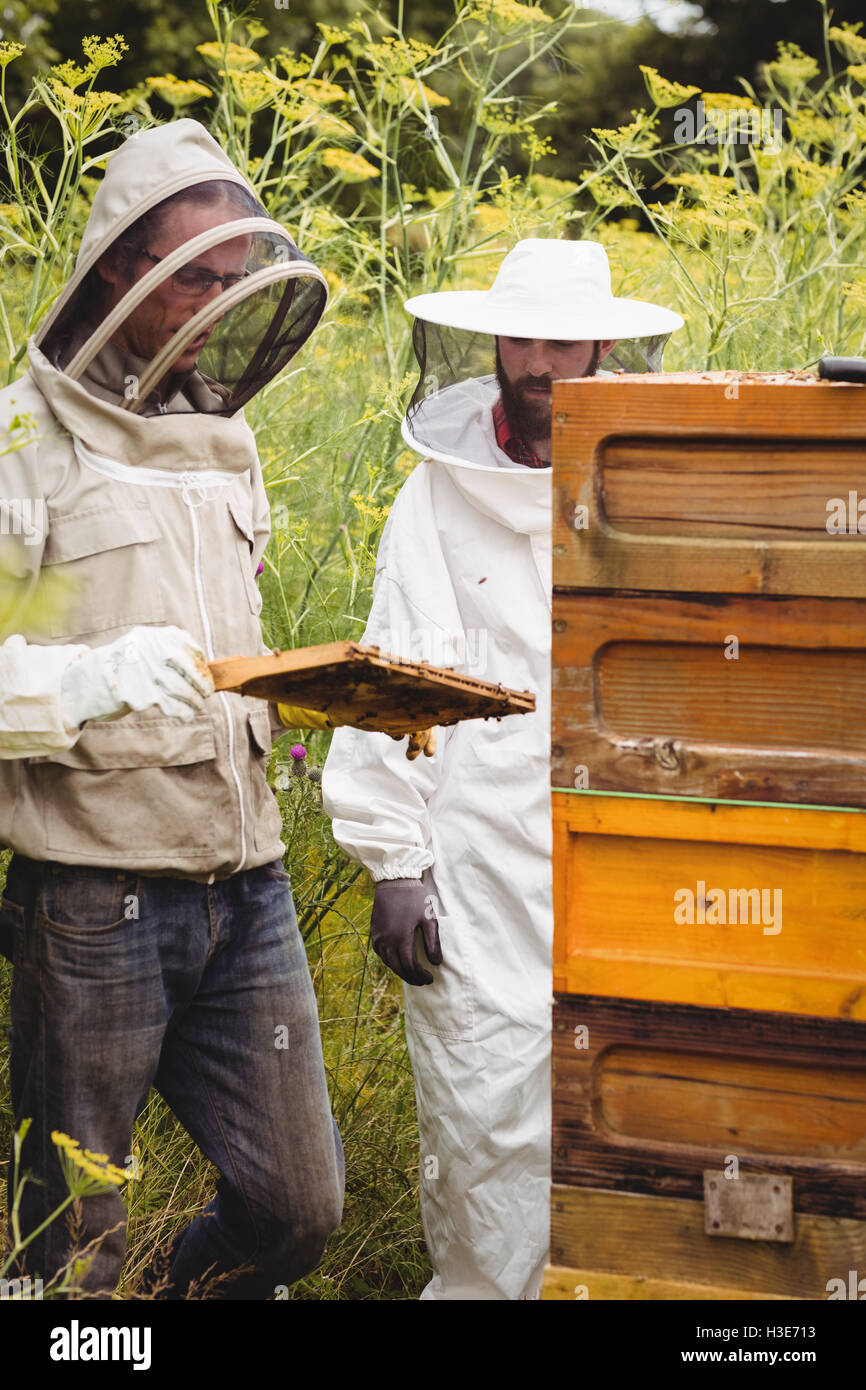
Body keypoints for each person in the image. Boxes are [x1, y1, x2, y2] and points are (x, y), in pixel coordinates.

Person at [0, 117, 344, 1298]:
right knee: (68, 1250)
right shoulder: (21, 441)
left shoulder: (226, 440)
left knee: (299, 1208)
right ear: (117, 271)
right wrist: (84, 680)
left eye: (230, 279)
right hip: (93, 904)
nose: (216, 301)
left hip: (248, 886)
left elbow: (226, 643)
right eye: (191, 276)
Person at [322, 238, 683, 1300]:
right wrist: (393, 859)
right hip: (476, 866)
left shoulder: (653, 485)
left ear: (602, 348)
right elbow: (394, 675)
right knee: (484, 1127)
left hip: (629, 860)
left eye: (560, 342)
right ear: (489, 343)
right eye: (519, 338)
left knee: (632, 1123)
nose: (537, 363)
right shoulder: (431, 504)